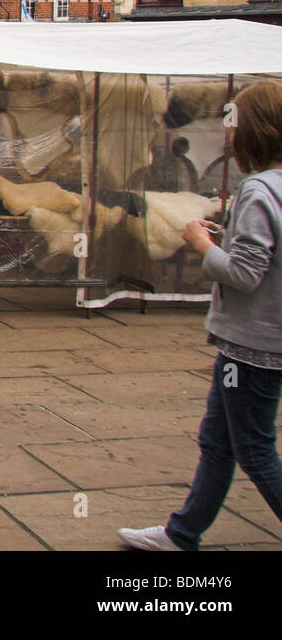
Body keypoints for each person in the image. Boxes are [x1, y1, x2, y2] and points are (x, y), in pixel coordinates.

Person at [119, 79, 282, 551]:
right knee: (218, 442)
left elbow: (245, 275)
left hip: (250, 350)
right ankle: (182, 533)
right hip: (260, 344)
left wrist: (201, 243)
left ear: (255, 131)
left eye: (233, 124)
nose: (228, 134)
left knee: (251, 448)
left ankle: (182, 532)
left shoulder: (257, 191)